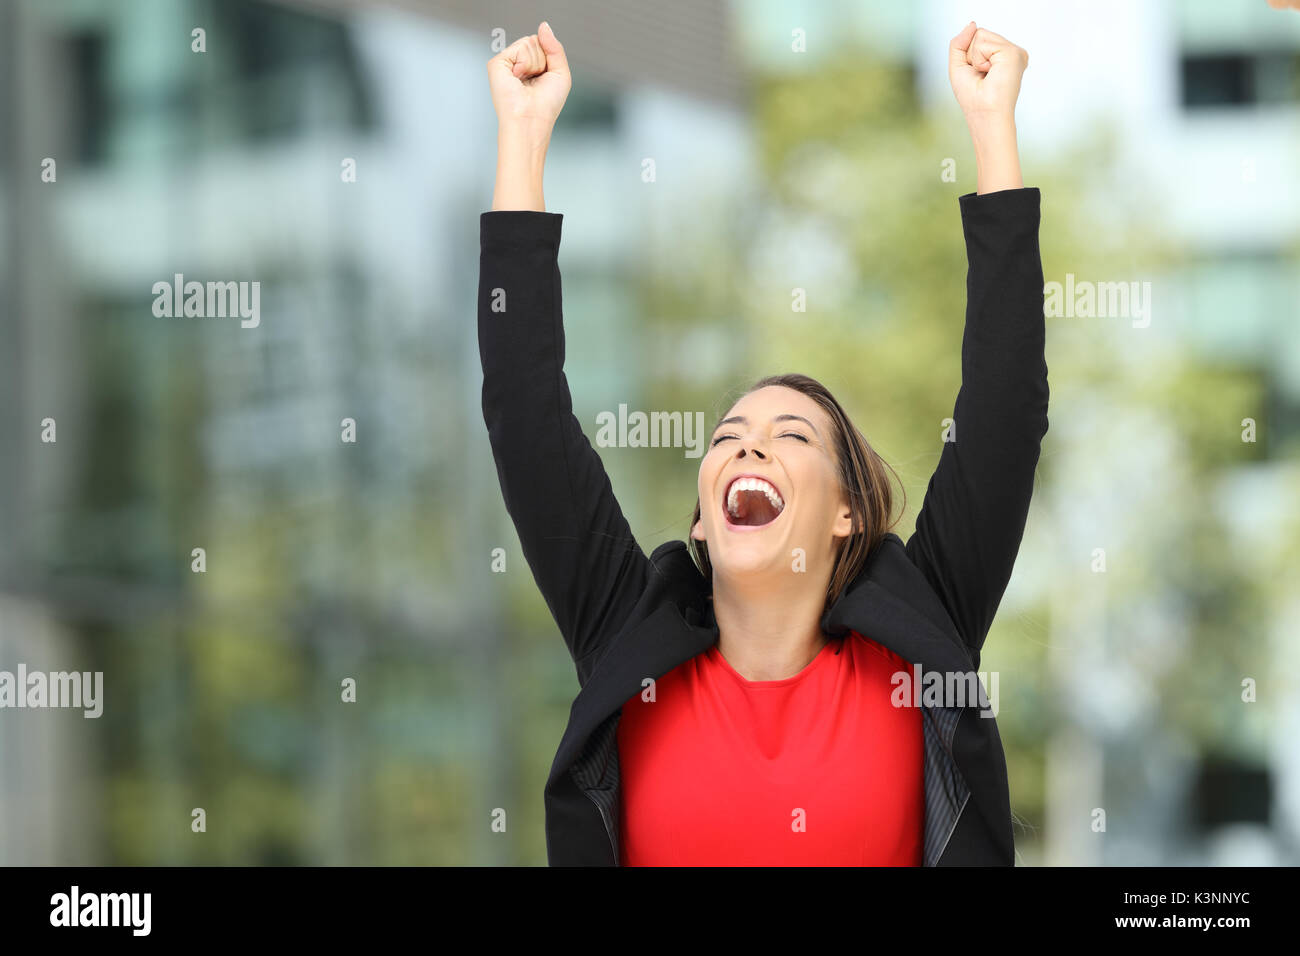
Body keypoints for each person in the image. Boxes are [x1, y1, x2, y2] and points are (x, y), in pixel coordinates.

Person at [480, 20, 1046, 865]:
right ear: (703, 521)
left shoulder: (923, 639)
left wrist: (993, 130)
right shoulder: (627, 640)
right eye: (728, 438)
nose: (748, 449)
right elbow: (526, 416)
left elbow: (1004, 411)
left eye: (790, 436)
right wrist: (523, 137)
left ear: (847, 512)